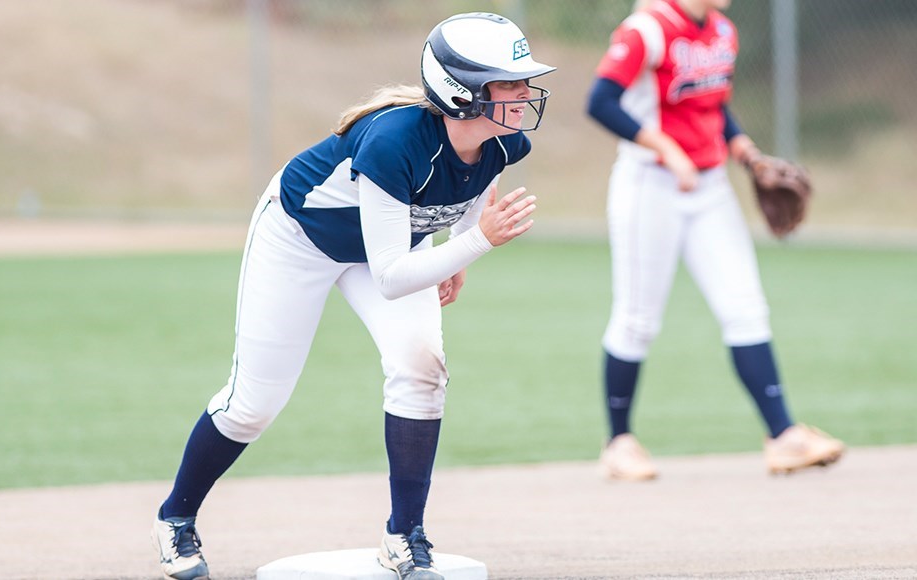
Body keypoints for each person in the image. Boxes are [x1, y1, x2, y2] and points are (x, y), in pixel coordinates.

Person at [151, 12, 555, 580]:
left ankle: (404, 535)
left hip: (390, 242)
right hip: (302, 238)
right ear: (462, 91)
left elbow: (472, 191)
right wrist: (477, 245)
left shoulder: (504, 141)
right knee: (254, 403)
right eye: (508, 82)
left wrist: (460, 243)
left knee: (421, 370)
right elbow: (391, 276)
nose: (524, 93)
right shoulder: (394, 141)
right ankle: (175, 518)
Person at [585, 0, 844, 481]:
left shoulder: (722, 29)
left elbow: (712, 102)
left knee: (745, 306)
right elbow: (599, 101)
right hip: (650, 184)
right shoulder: (647, 29)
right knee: (638, 318)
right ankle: (618, 443)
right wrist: (666, 150)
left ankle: (783, 437)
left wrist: (745, 150)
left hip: (709, 185)